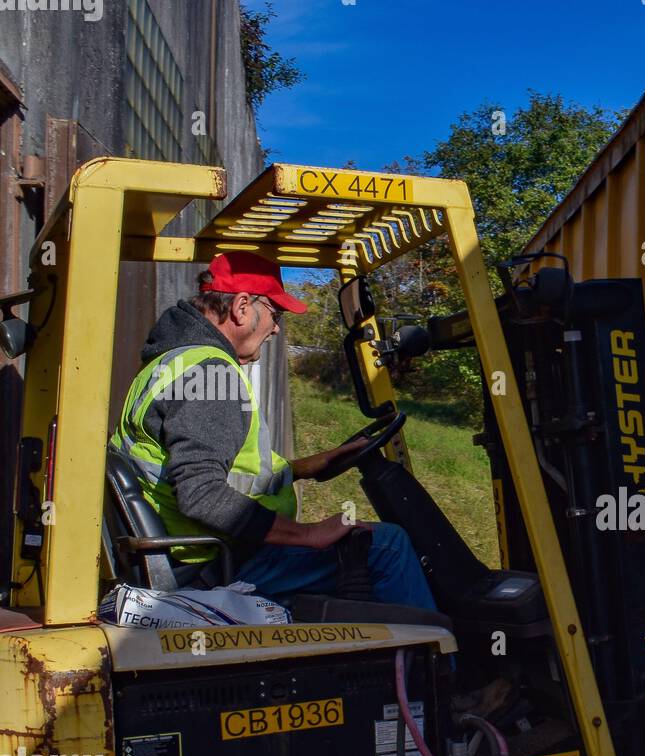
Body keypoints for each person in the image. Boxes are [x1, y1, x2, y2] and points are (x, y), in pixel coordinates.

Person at [111, 251, 436, 609]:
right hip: (219, 562)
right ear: (243, 307)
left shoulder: (170, 362)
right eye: (275, 314)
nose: (277, 328)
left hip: (191, 550)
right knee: (388, 545)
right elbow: (201, 494)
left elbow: (218, 468)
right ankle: (438, 661)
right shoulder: (212, 375)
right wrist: (308, 534)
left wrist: (301, 468)